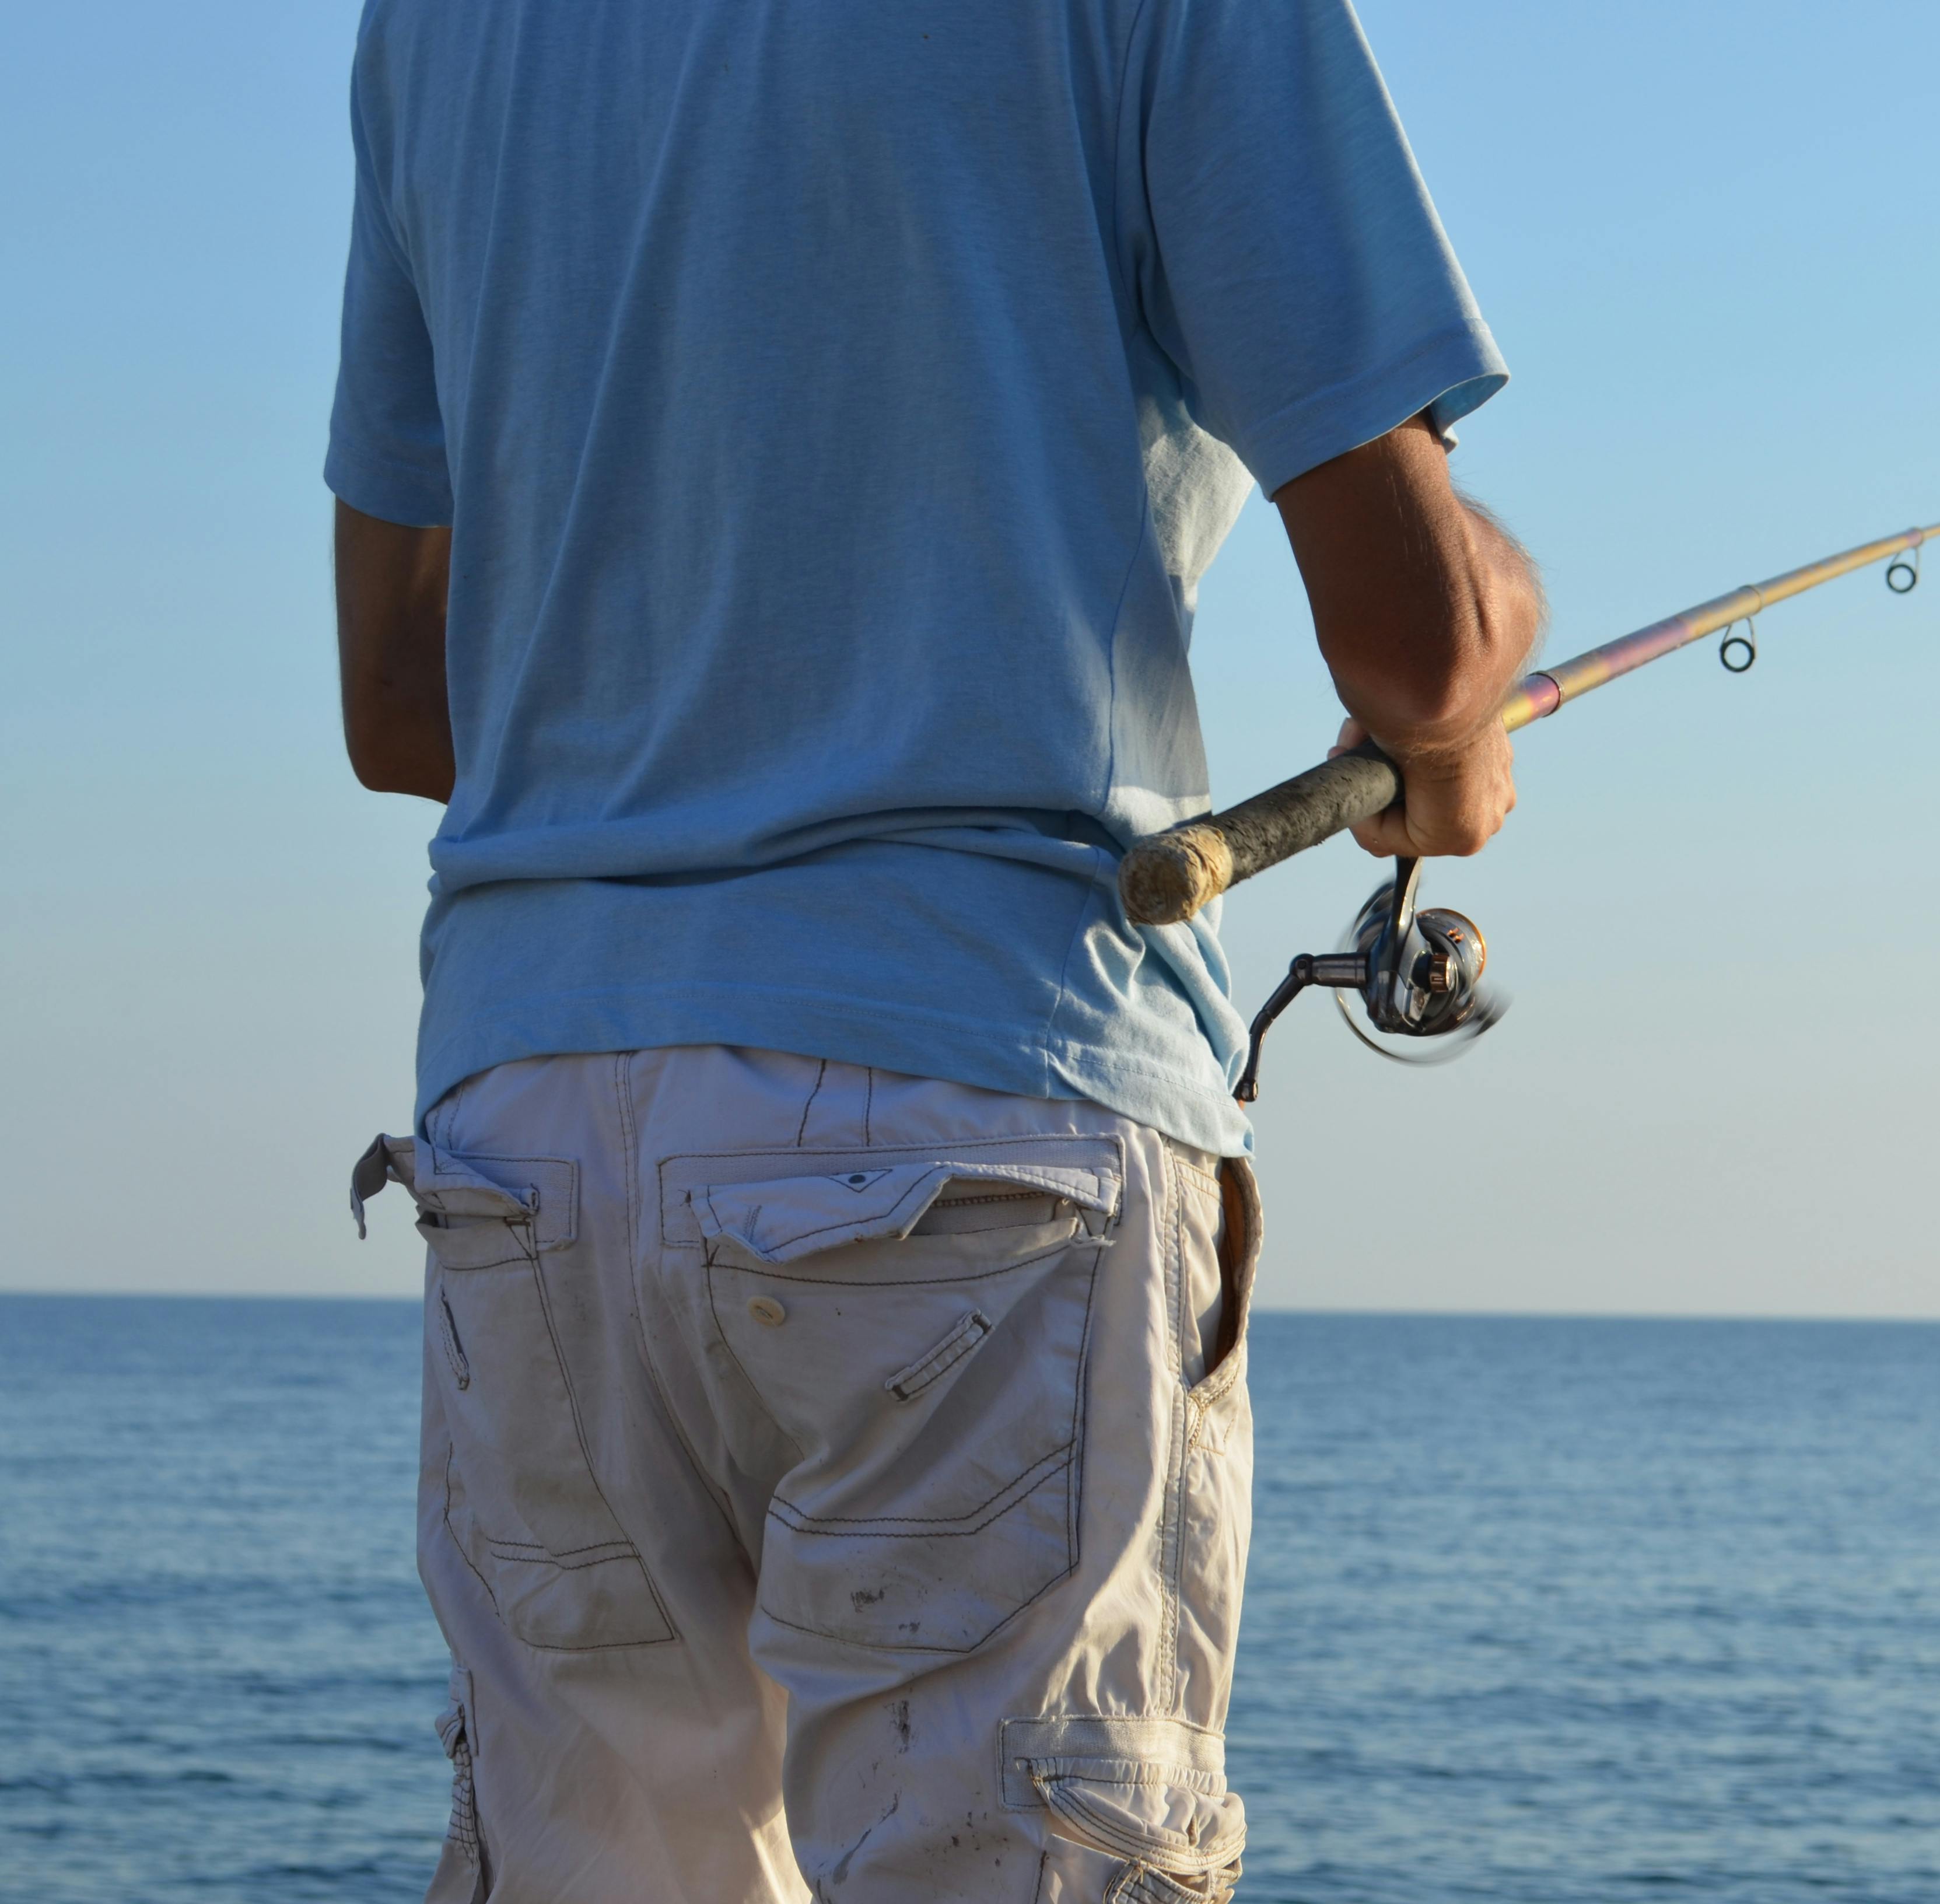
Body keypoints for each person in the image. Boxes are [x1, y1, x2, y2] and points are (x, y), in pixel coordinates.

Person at [327, 1, 1542, 1897]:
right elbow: (1420, 650)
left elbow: (403, 702)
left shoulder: (434, 28)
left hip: (525, 1142)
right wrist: (1485, 667)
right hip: (984, 1111)